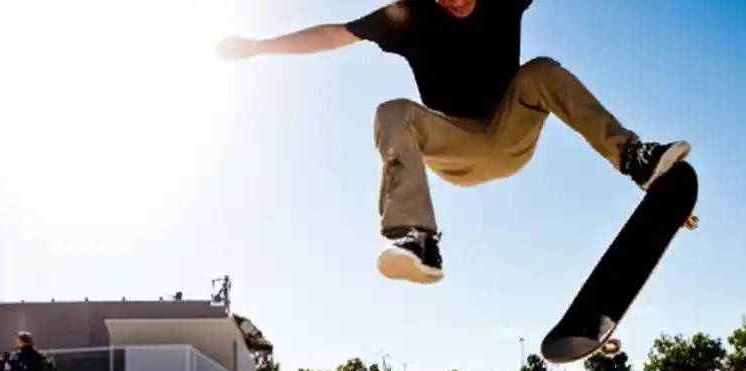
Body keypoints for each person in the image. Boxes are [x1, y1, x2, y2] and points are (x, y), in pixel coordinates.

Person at [216, 0, 692, 284]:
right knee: (393, 111)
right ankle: (417, 240)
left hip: (511, 133)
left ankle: (635, 159)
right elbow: (332, 35)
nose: (456, 4)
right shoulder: (406, 16)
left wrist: (668, 199)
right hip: (455, 147)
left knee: (542, 71)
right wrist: (257, 48)